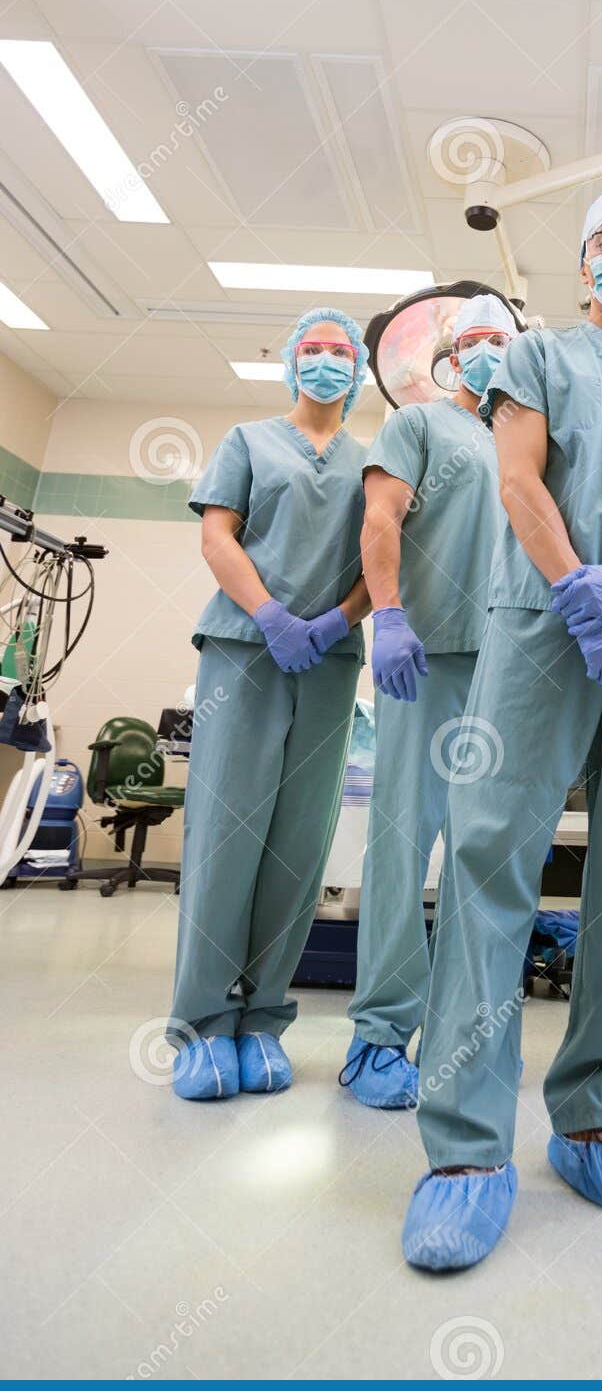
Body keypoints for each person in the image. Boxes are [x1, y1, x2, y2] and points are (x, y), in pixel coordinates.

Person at [402, 184, 602, 1271]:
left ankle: (598, 1121)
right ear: (585, 268)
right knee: (492, 860)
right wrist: (582, 591)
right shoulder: (534, 359)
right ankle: (464, 1151)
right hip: (542, 621)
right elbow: (518, 477)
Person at [168, 309, 371, 1101]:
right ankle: (201, 1028)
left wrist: (335, 620)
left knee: (297, 846)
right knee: (227, 834)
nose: (325, 362)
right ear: (291, 364)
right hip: (247, 650)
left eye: (339, 352)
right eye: (312, 351)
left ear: (358, 371)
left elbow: (380, 554)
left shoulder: (370, 461)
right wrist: (271, 616)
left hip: (328, 657)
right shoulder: (249, 442)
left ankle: (260, 1020)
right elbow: (219, 537)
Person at [339, 294, 509, 1109]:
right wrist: (391, 615)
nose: (483, 351)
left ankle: (465, 1029)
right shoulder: (419, 425)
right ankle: (377, 1037)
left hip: (512, 668)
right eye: (469, 341)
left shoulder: (532, 441)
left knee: (490, 853)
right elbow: (381, 517)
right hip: (428, 658)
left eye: (498, 340)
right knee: (404, 848)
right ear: (446, 357)